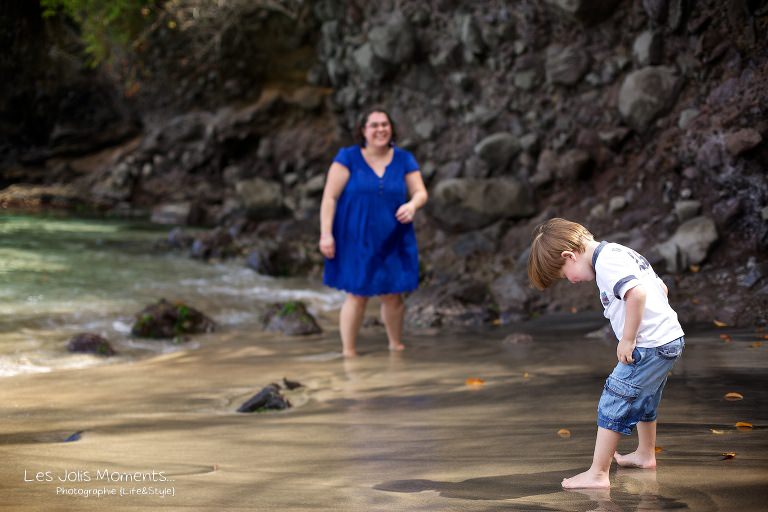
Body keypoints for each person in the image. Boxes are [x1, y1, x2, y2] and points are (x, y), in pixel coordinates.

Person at [527, 218, 685, 489]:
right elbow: (660, 288)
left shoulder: (607, 263)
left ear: (570, 256)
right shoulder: (619, 252)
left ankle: (598, 474)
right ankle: (645, 454)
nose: (570, 280)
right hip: (668, 338)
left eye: (564, 274)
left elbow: (636, 294)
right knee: (645, 400)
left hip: (648, 345)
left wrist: (628, 338)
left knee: (614, 398)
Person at [319, 108, 428, 357]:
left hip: (394, 236)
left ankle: (396, 348)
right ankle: (349, 353)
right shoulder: (347, 158)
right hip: (355, 237)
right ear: (363, 130)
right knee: (357, 294)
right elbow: (330, 197)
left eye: (385, 124)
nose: (380, 129)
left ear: (391, 128)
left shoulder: (403, 159)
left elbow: (420, 192)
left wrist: (412, 205)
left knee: (393, 294)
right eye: (374, 125)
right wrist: (326, 234)